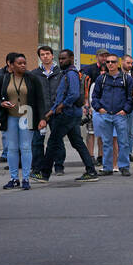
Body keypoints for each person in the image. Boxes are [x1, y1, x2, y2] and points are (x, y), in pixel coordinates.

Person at [37, 49, 99, 183]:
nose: (61, 61)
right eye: (59, 59)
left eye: (63, 58)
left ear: (71, 59)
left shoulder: (71, 74)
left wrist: (61, 106)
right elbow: (60, 96)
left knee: (53, 143)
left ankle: (44, 174)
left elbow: (73, 95)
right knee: (77, 143)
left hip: (67, 115)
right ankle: (91, 171)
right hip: (69, 114)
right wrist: (51, 111)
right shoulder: (65, 74)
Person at [0, 52, 46, 189]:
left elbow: (40, 100)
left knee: (26, 147)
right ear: (10, 65)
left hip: (27, 115)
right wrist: (1, 104)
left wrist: (42, 118)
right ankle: (14, 178)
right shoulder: (3, 79)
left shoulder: (32, 78)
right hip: (10, 117)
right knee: (12, 148)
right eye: (19, 63)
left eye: (24, 63)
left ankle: (26, 179)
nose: (23, 65)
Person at [90, 55, 132, 176]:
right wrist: (99, 108)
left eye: (113, 62)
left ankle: (124, 167)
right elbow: (95, 97)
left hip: (120, 115)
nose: (110, 64)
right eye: (108, 62)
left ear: (118, 63)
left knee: (123, 142)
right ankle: (107, 167)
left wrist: (125, 110)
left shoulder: (126, 79)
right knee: (106, 142)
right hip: (105, 115)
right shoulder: (101, 79)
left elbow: (130, 98)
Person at [31, 44, 65, 178]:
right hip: (40, 112)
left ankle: (59, 166)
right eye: (42, 55)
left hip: (56, 111)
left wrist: (59, 107)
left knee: (57, 140)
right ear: (39, 57)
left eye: (47, 54)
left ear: (52, 55)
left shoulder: (61, 72)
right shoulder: (34, 74)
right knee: (37, 141)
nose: (45, 57)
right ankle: (37, 167)